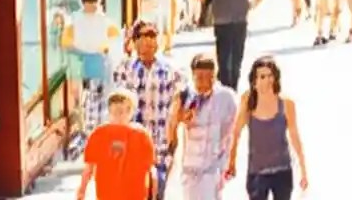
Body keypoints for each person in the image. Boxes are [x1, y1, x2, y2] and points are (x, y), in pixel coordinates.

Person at [112, 20, 188, 198]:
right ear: (134, 40)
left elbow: (184, 100)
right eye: (143, 36)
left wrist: (175, 129)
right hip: (131, 147)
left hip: (160, 146)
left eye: (152, 35)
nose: (148, 40)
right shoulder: (124, 69)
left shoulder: (171, 70)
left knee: (157, 192)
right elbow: (116, 107)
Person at [227, 57, 310, 200]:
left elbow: (295, 136)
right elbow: (236, 132)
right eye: (262, 76)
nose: (266, 80)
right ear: (254, 81)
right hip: (257, 173)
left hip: (282, 170)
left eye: (270, 76)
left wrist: (303, 170)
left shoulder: (286, 103)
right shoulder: (248, 102)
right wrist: (231, 161)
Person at [168, 54, 238, 199]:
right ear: (193, 75)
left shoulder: (226, 97)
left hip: (214, 164)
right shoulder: (185, 96)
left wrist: (229, 160)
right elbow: (172, 125)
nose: (205, 82)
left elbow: (232, 130)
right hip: (191, 166)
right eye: (200, 77)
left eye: (210, 77)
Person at [61, 0, 121, 142]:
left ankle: (92, 128)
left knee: (94, 96)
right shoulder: (78, 19)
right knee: (85, 97)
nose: (91, 6)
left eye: (93, 2)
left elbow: (114, 35)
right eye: (89, 2)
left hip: (93, 60)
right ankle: (89, 129)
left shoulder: (97, 19)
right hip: (85, 61)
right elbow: (66, 42)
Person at [77, 89, 157, 200]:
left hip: (108, 195)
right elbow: (152, 172)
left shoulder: (98, 134)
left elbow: (88, 169)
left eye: (121, 111)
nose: (119, 116)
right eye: (117, 111)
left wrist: (81, 191)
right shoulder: (142, 135)